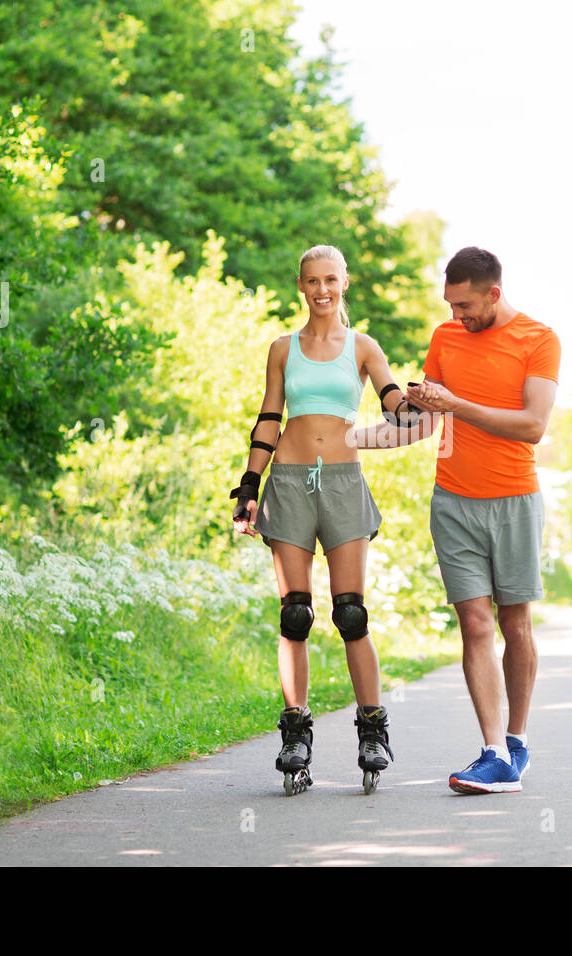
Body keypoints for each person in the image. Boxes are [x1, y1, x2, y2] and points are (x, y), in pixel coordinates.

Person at [229, 244, 419, 795]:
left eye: (330, 279)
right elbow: (270, 416)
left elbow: (390, 399)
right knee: (295, 616)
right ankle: (295, 734)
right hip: (288, 482)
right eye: (312, 281)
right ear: (300, 285)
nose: (322, 290)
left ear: (345, 283)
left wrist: (409, 405)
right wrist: (249, 486)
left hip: (341, 482)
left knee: (351, 613)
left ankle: (372, 729)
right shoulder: (282, 349)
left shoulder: (362, 346)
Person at [404, 246, 561, 794]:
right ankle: (493, 750)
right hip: (453, 499)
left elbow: (532, 425)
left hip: (514, 499)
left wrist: (454, 403)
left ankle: (516, 740)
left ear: (493, 293)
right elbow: (426, 420)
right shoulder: (446, 338)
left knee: (514, 624)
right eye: (450, 305)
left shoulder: (539, 340)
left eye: (465, 305)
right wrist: (378, 426)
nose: (456, 317)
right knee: (474, 623)